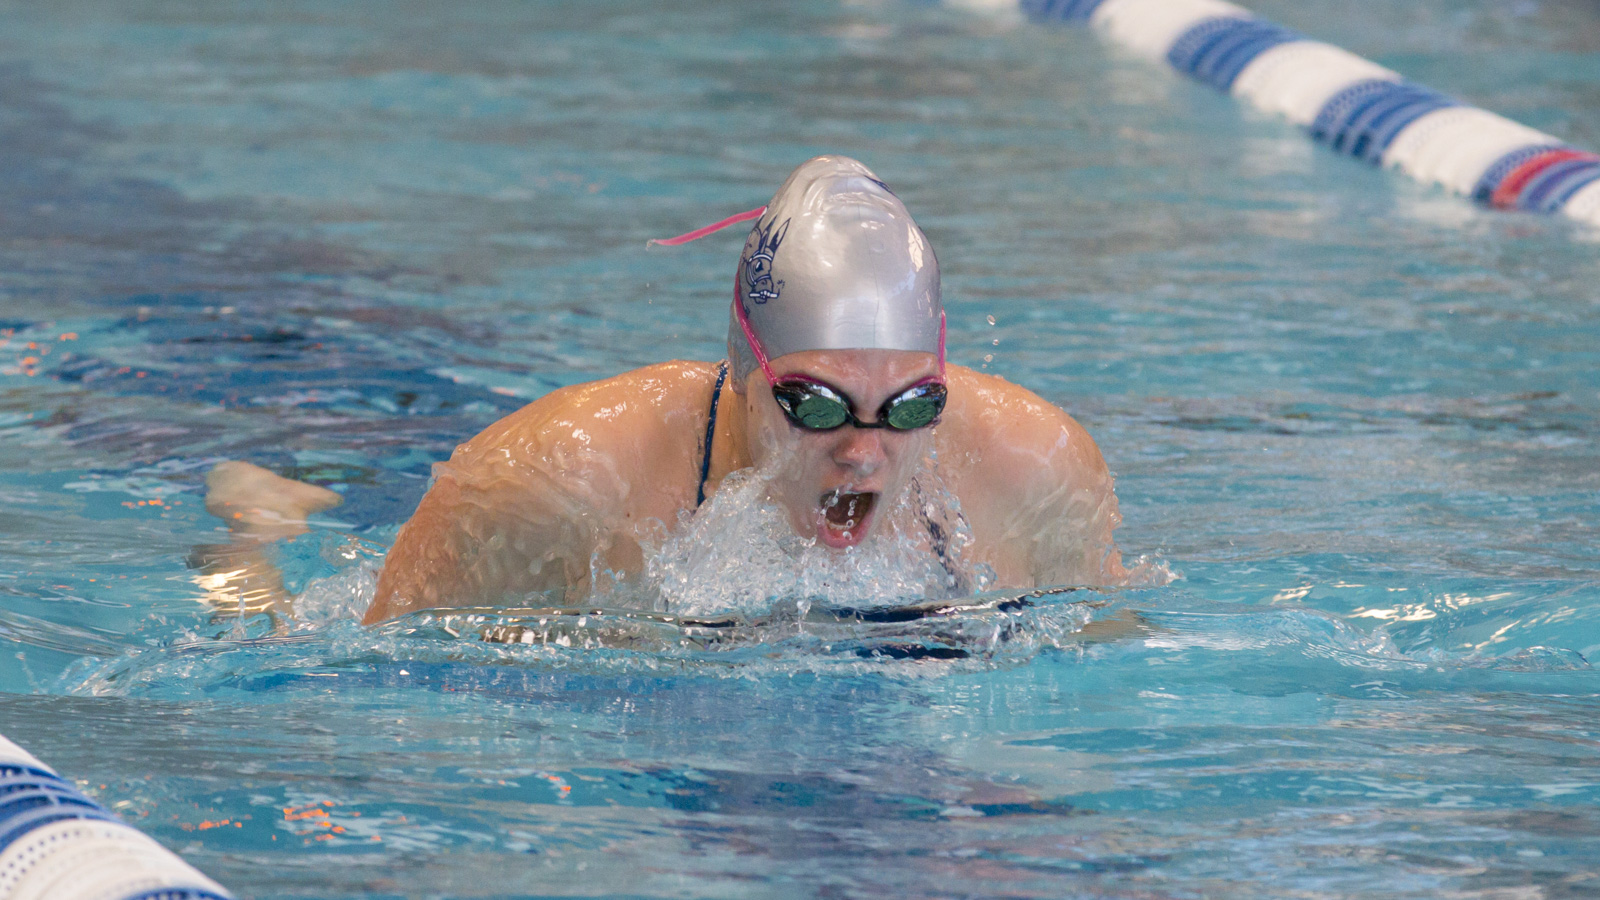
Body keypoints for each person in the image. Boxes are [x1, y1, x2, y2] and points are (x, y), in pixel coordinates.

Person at [205, 156, 1130, 625]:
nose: (863, 449)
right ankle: (256, 527)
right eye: (812, 403)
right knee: (258, 615)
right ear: (742, 371)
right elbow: (353, 670)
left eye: (912, 406)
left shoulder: (1034, 465)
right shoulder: (565, 475)